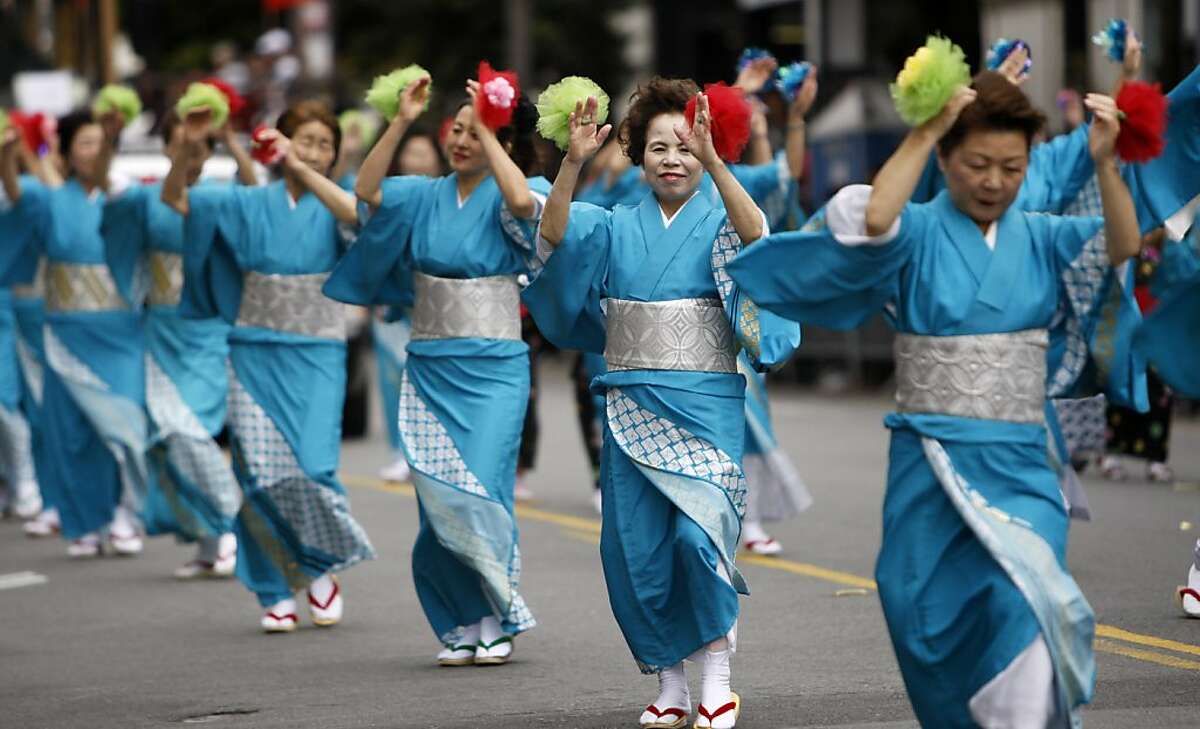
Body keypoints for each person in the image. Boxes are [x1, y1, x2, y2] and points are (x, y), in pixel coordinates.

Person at [728, 71, 1142, 727]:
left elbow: (1123, 246)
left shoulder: (1044, 236)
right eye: (977, 164)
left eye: (1012, 167)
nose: (994, 181)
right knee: (916, 603)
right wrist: (927, 128)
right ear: (945, 158)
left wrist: (1106, 162)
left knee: (1029, 600)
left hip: (1022, 460)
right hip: (929, 456)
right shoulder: (914, 230)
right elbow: (874, 217)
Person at [525, 80, 799, 729]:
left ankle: (718, 679)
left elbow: (758, 238)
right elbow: (553, 234)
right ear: (637, 155)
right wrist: (572, 162)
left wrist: (719, 162)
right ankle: (671, 684)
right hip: (630, 407)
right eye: (658, 148)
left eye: (685, 146)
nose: (672, 159)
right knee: (638, 551)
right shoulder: (613, 222)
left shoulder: (722, 218)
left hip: (706, 405)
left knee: (697, 539)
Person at [325, 73, 546, 666]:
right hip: (429, 365)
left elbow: (523, 206)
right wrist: (400, 120)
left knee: (481, 491)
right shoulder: (424, 195)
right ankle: (465, 620)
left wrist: (493, 132)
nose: (462, 141)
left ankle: (498, 614)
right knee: (438, 499)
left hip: (495, 368)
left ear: (500, 140)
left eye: (476, 133)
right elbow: (366, 190)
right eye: (458, 130)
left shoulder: (519, 189)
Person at [163, 100, 375, 632]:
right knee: (258, 474)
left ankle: (320, 568)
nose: (315, 152)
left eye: (324, 146)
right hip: (253, 349)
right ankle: (274, 587)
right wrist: (189, 146)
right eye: (305, 141)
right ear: (279, 142)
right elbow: (177, 199)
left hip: (318, 352)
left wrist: (301, 167)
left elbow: (357, 216)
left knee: (313, 467)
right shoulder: (247, 201)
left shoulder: (337, 200)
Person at [101, 110, 254, 578]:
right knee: (166, 437)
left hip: (207, 330)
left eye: (199, 147)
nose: (190, 153)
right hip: (161, 332)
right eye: (180, 144)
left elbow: (256, 196)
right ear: (167, 147)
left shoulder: (220, 195)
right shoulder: (144, 198)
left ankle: (230, 524)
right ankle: (208, 540)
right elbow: (112, 210)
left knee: (189, 429)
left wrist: (232, 142)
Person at [1, 108, 151, 558]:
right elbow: (15, 196)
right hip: (66, 333)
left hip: (120, 333)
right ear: (66, 152)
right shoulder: (49, 200)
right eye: (83, 143)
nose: (93, 151)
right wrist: (8, 157)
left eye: (99, 143)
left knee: (124, 428)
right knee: (73, 433)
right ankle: (84, 522)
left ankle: (127, 513)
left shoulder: (125, 196)